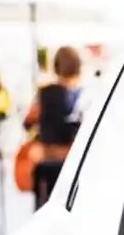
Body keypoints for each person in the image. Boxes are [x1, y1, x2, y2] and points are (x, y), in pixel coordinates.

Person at [23, 46, 87, 208]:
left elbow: (27, 122)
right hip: (68, 161)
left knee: (43, 208)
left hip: (44, 160)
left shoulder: (43, 93)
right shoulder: (78, 96)